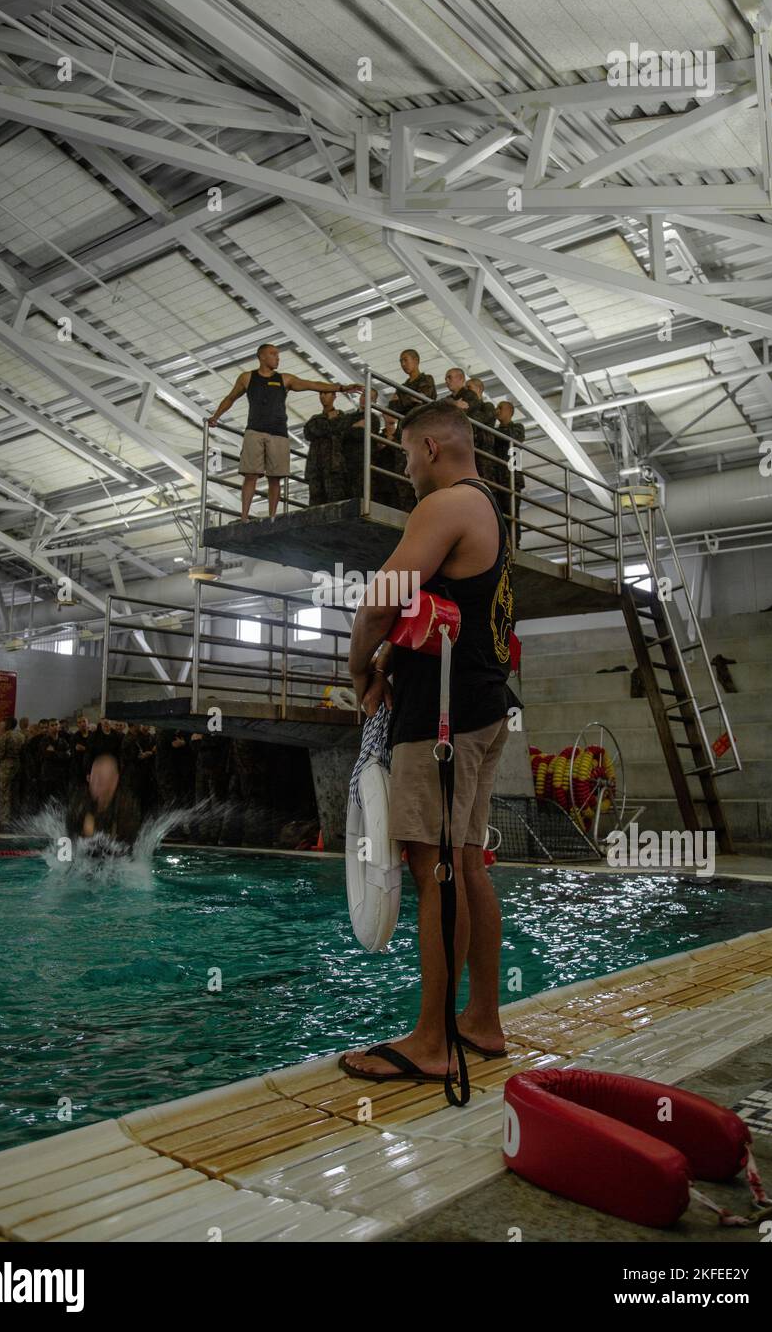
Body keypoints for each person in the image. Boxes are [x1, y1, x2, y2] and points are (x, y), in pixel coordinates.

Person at [342, 401, 515, 1083]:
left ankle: (433, 1042)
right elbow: (444, 617)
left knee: (435, 868)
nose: (406, 464)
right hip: (481, 704)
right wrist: (392, 664)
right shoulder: (487, 508)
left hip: (441, 719)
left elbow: (380, 604)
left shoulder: (444, 506)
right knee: (465, 862)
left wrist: (360, 669)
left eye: (408, 452)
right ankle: (482, 1021)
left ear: (435, 446)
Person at [207, 344, 360, 521]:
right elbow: (230, 398)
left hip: (278, 433)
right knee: (251, 475)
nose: (277, 358)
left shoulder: (285, 379)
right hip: (254, 431)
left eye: (278, 355)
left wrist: (341, 388)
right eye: (273, 354)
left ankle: (272, 517)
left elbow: (312, 384)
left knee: (275, 477)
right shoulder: (247, 377)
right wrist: (216, 416)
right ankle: (244, 517)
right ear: (261, 357)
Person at [65, 752, 141, 851]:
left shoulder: (127, 808)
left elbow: (128, 850)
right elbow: (67, 843)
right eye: (93, 778)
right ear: (88, 778)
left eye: (101, 780)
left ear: (114, 781)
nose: (96, 785)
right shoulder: (79, 803)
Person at [302, 390, 348, 506]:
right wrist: (329, 420)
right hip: (315, 467)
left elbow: (337, 429)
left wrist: (326, 424)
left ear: (334, 396)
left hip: (334, 466)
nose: (322, 396)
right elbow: (308, 432)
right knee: (315, 502)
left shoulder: (341, 416)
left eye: (326, 393)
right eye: (320, 394)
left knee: (335, 501)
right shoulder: (315, 418)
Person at [493, 400, 526, 544]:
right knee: (498, 514)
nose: (497, 410)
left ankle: (514, 544)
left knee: (512, 513)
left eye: (500, 408)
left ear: (510, 411)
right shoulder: (494, 432)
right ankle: (502, 544)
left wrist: (493, 430)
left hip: (512, 478)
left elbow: (512, 436)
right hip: (498, 478)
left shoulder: (518, 427)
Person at [388, 348, 436, 419]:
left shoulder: (427, 379)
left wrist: (402, 401)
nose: (403, 364)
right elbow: (393, 407)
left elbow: (422, 398)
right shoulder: (402, 387)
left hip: (423, 421)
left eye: (405, 360)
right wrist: (411, 399)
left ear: (416, 360)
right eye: (401, 361)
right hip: (405, 425)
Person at [0, 716, 24, 826]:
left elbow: (1, 752)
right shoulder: (21, 736)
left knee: (4, 793)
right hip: (18, 764)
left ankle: (4, 819)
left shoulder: (5, 736)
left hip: (6, 764)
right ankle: (16, 817)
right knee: (16, 793)